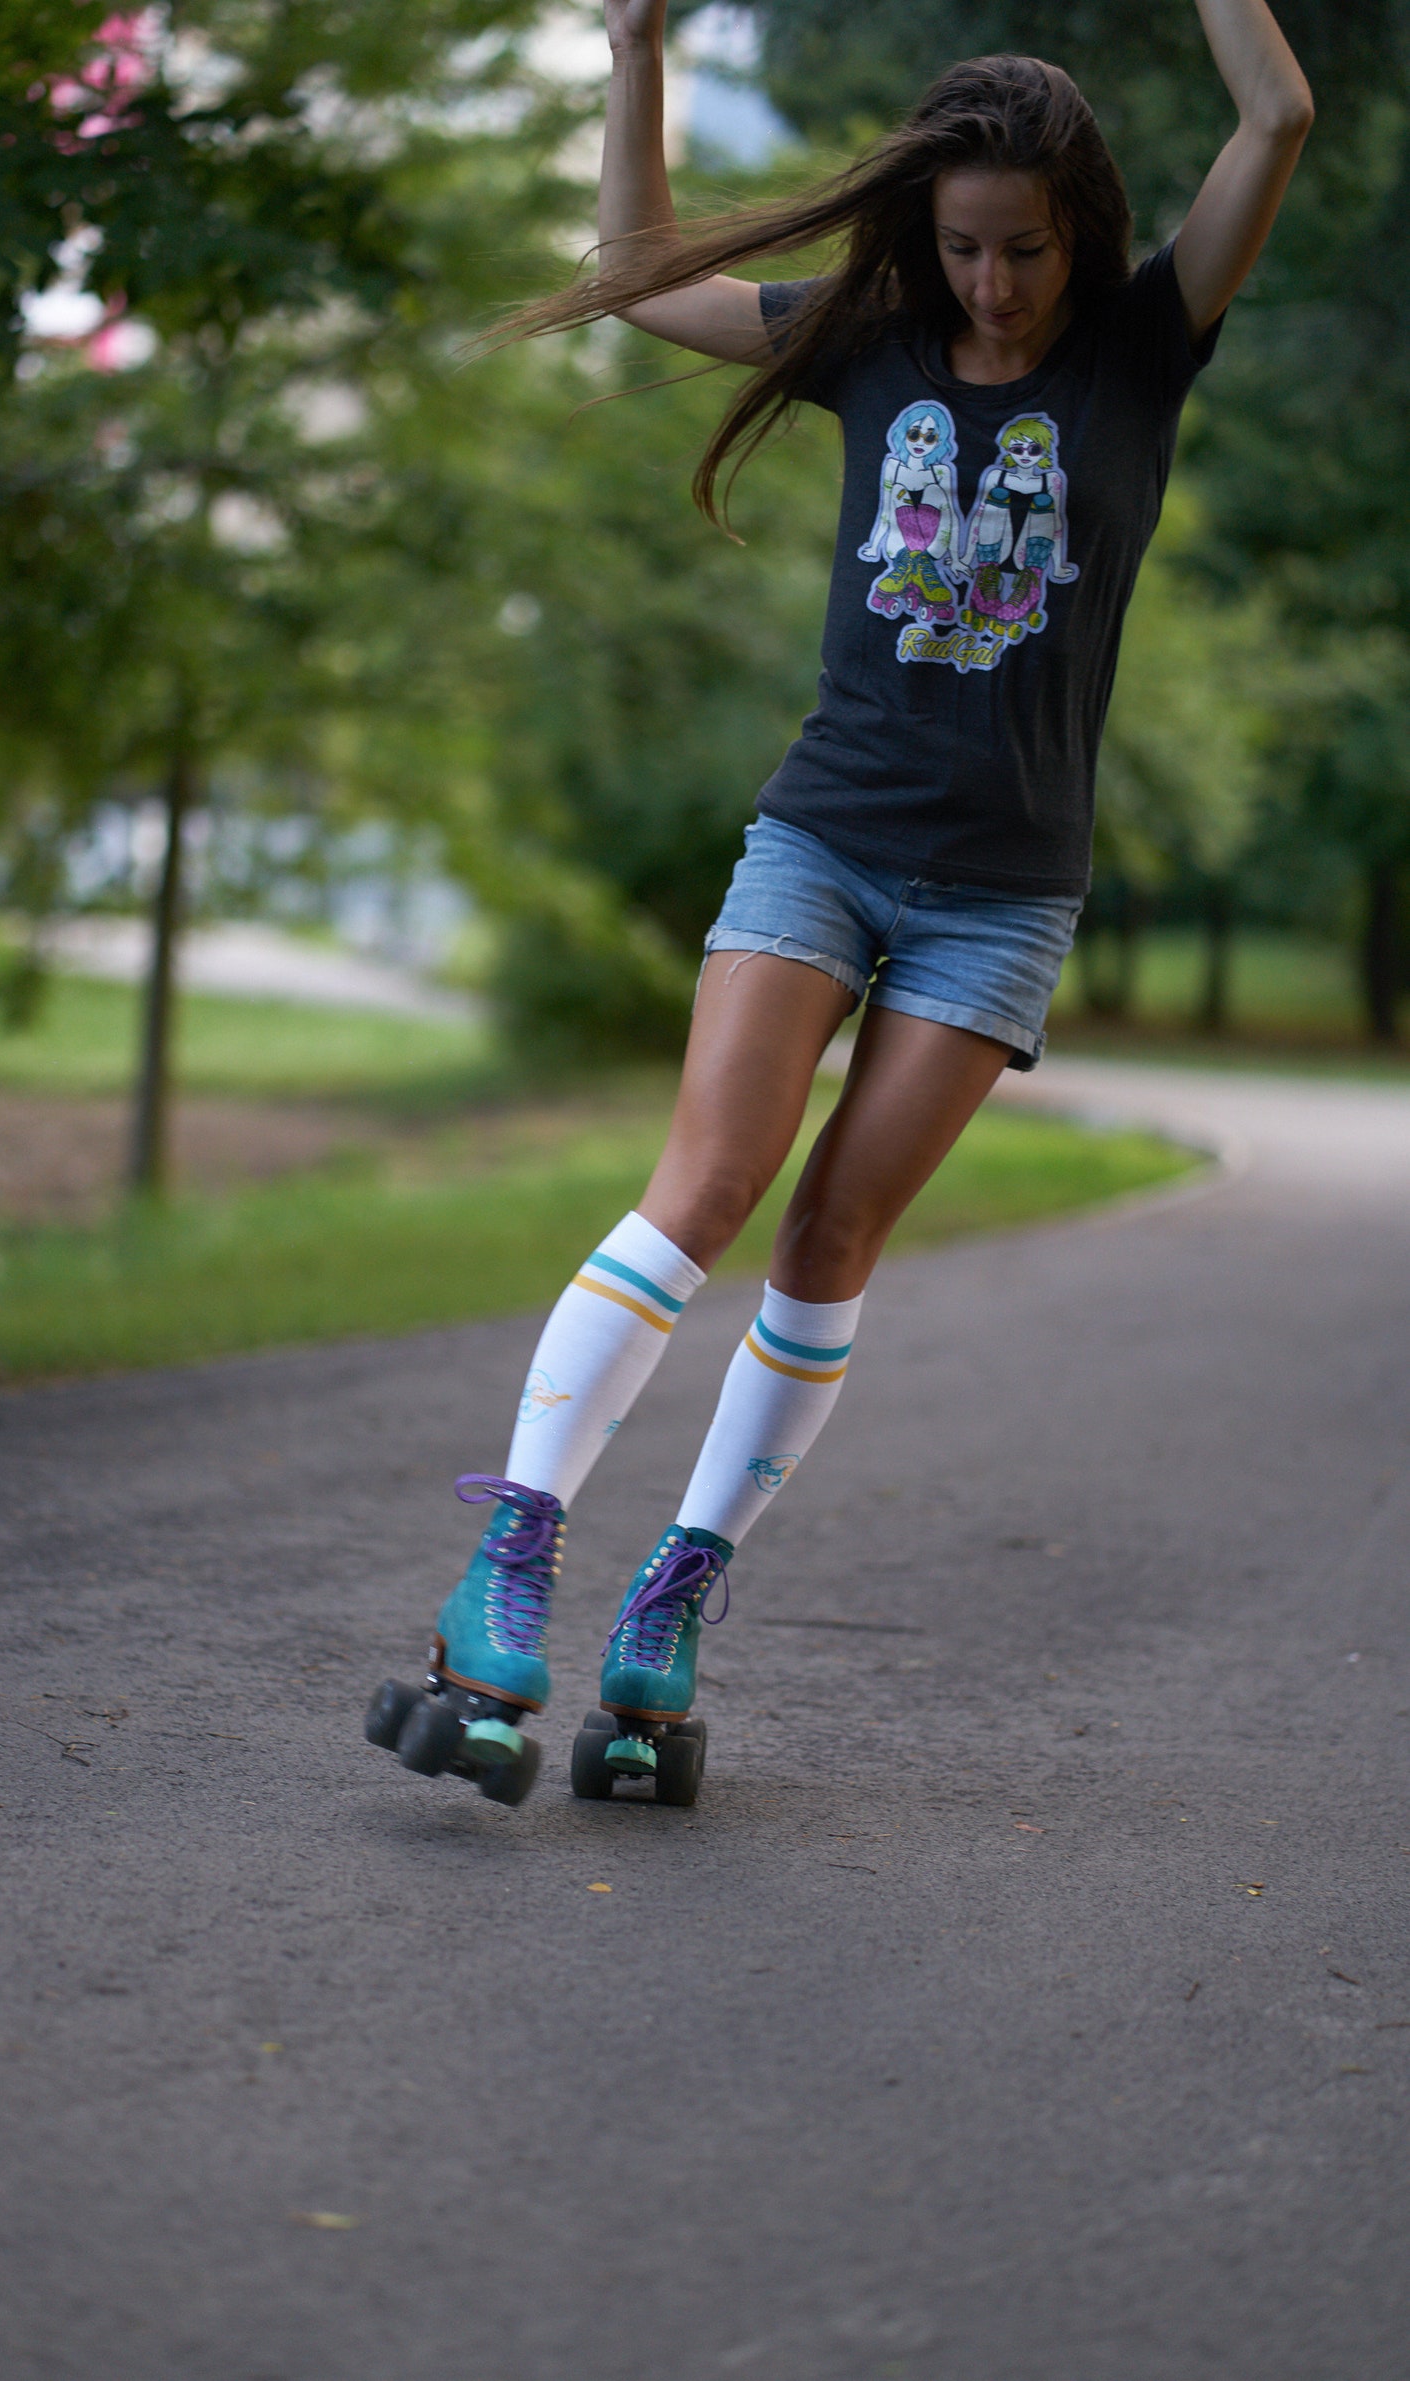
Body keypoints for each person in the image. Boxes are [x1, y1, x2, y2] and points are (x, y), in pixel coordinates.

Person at [365, 0, 1314, 1807]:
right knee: (706, 1185)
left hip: (1004, 893)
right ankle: (508, 1564)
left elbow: (1277, 114)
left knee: (828, 1241)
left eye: (1021, 248)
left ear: (1079, 226)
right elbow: (644, 275)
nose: (993, 287)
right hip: (827, 834)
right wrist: (637, 53)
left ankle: (673, 1600)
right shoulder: (870, 338)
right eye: (961, 247)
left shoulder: (1139, 343)